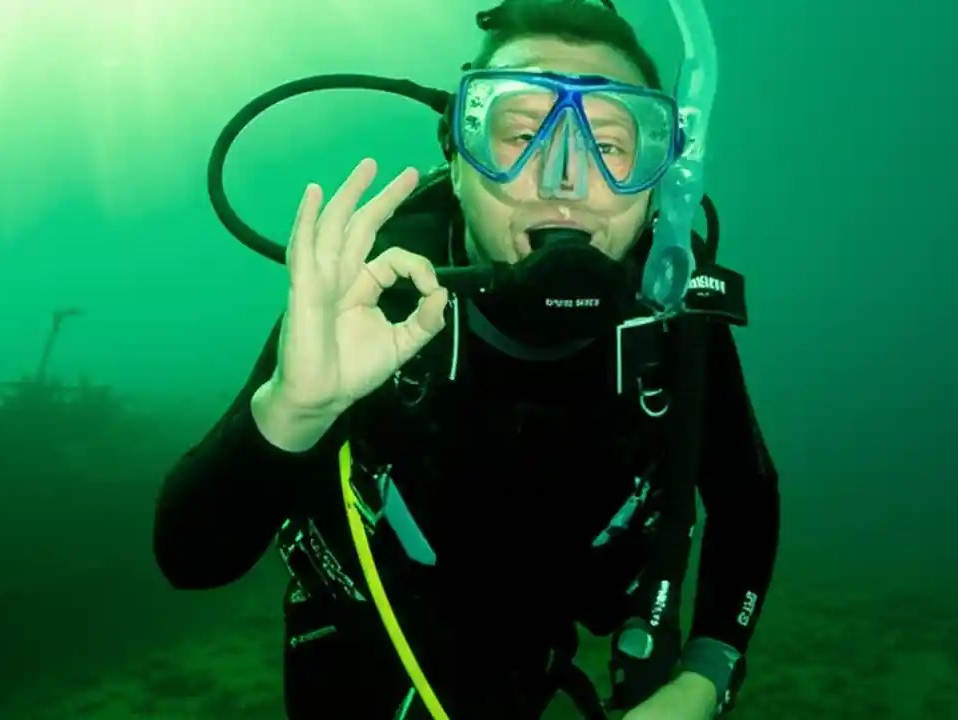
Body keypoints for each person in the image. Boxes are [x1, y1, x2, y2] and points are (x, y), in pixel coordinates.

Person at [154, 1, 780, 718]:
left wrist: (704, 679)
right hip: (364, 651)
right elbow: (190, 559)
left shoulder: (668, 318)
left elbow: (746, 499)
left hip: (538, 654)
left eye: (609, 145)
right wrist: (294, 411)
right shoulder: (373, 297)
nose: (564, 178)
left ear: (662, 181)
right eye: (518, 133)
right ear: (455, 159)